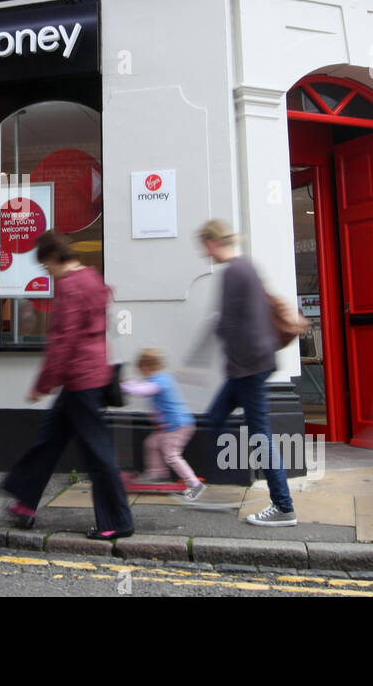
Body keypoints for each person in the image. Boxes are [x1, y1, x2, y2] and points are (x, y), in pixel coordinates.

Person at [1, 231, 134, 540]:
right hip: (89, 375)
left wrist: (43, 384)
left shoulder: (71, 287)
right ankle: (25, 503)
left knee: (97, 453)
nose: (47, 271)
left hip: (80, 380)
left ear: (52, 257)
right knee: (49, 441)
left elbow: (63, 340)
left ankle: (117, 519)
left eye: (45, 265)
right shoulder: (91, 278)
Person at [197, 220, 297, 527]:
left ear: (213, 243)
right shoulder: (247, 267)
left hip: (248, 367)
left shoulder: (233, 272)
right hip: (253, 363)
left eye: (205, 247)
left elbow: (226, 324)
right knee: (215, 418)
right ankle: (213, 487)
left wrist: (198, 359)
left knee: (259, 434)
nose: (205, 253)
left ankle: (283, 505)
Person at [120, 348, 204, 505]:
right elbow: (141, 385)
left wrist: (123, 386)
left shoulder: (159, 381)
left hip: (177, 426)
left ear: (146, 367)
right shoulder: (162, 378)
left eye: (141, 369)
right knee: (151, 444)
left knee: (172, 456)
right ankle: (157, 474)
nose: (141, 373)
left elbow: (143, 389)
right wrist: (128, 382)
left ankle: (194, 484)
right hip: (171, 426)